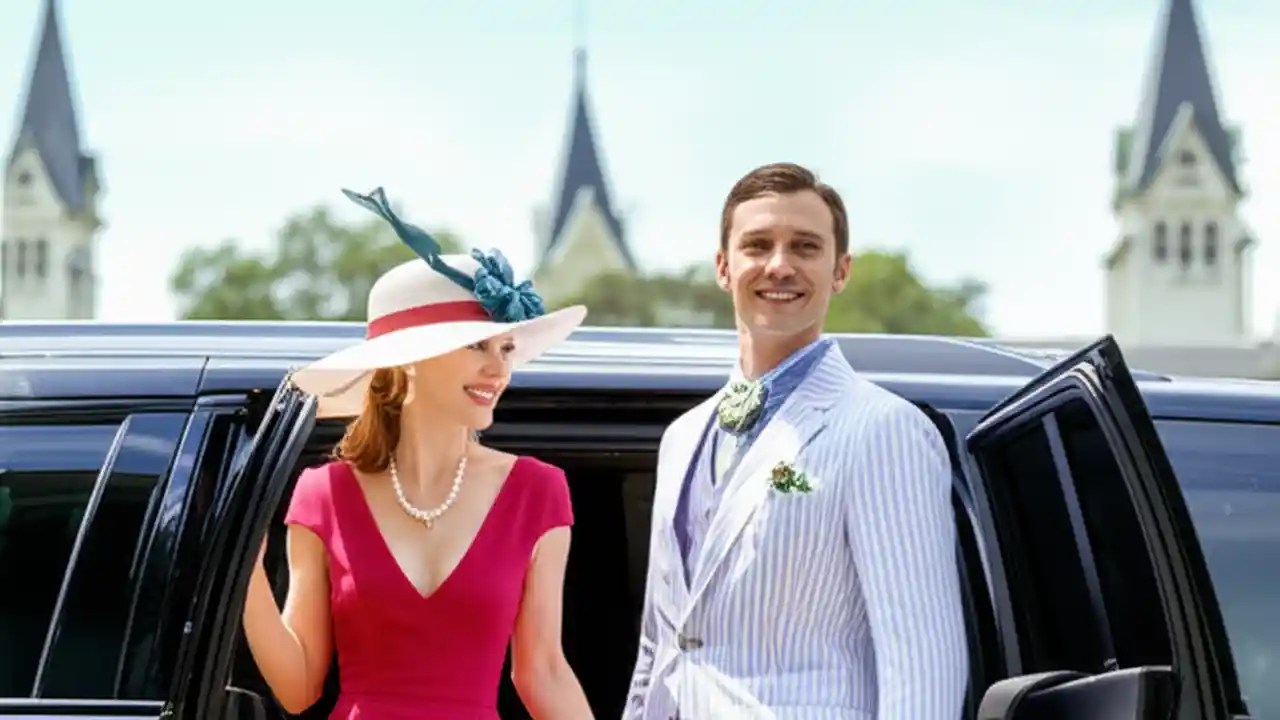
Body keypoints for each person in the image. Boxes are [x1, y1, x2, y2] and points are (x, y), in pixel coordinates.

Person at [624, 162, 969, 718]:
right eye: (757, 245)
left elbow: (923, 665)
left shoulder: (883, 429)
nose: (779, 266)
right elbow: (660, 646)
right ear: (722, 266)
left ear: (840, 271)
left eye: (805, 247)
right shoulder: (682, 437)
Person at [241, 186, 596, 720]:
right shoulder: (324, 494)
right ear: (408, 357)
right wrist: (243, 567)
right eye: (477, 346)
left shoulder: (537, 492)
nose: (499, 370)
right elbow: (299, 686)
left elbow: (542, 672)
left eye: (505, 349)